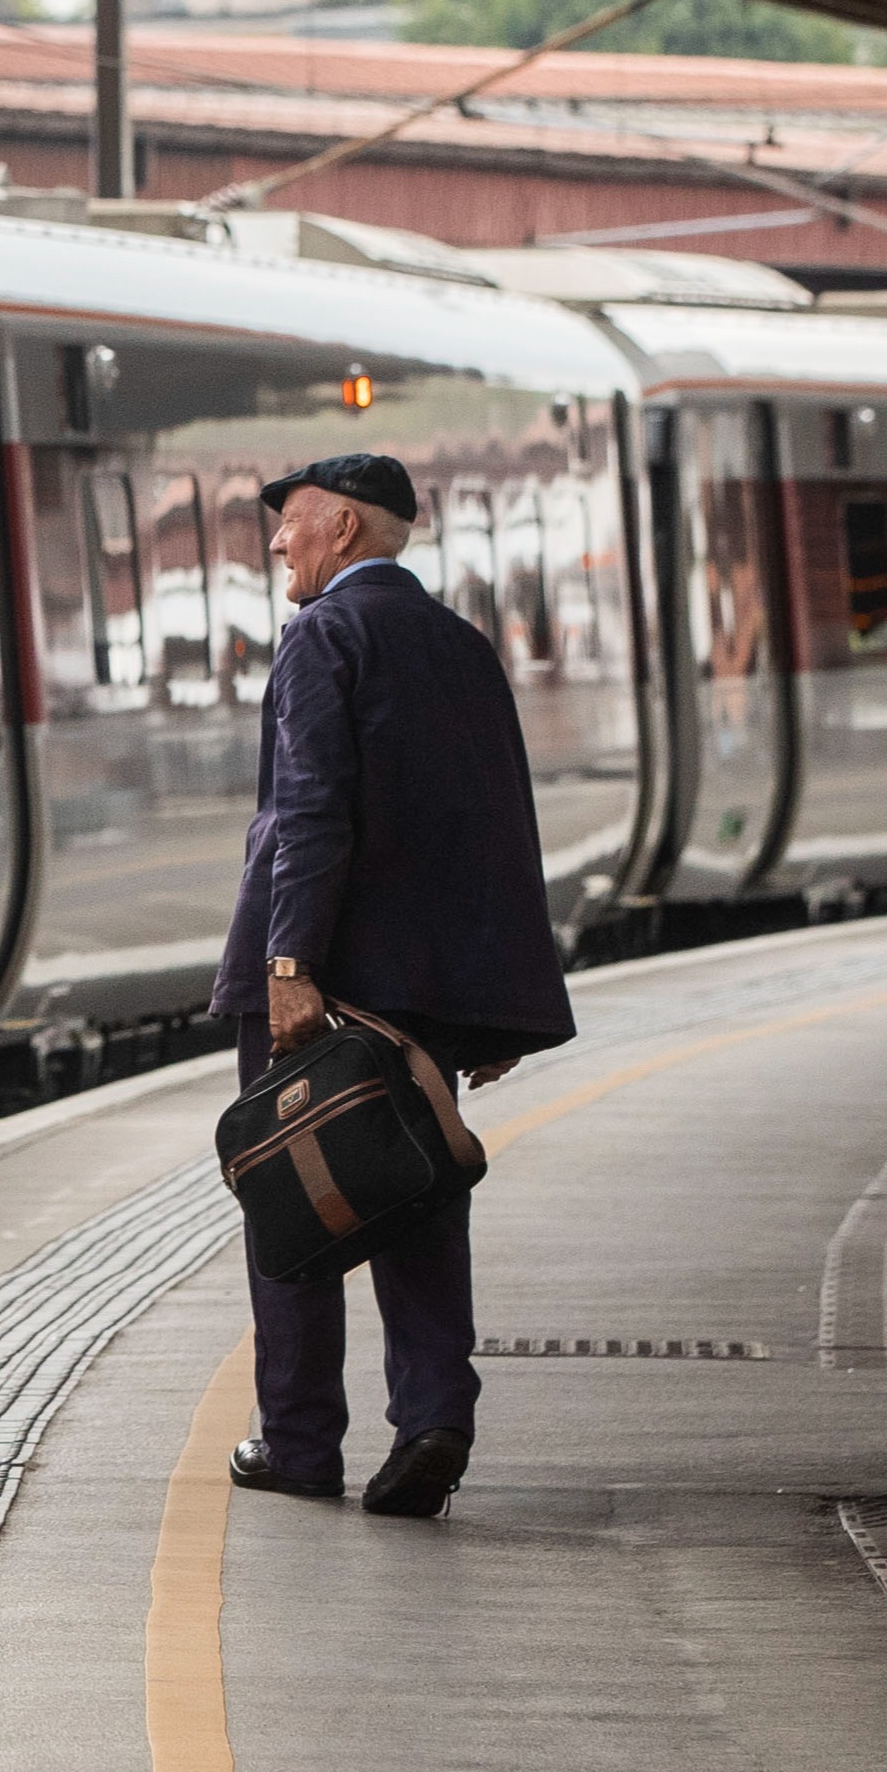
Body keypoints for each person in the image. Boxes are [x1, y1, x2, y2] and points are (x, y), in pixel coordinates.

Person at [215, 455, 578, 1519]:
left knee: (294, 1189)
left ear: (340, 526)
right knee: (418, 1188)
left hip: (323, 984)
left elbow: (312, 810)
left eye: (287, 524)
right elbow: (496, 822)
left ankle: (297, 1440)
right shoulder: (465, 647)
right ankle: (432, 1419)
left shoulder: (323, 635)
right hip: (421, 989)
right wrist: (491, 997)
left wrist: (290, 965)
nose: (277, 543)